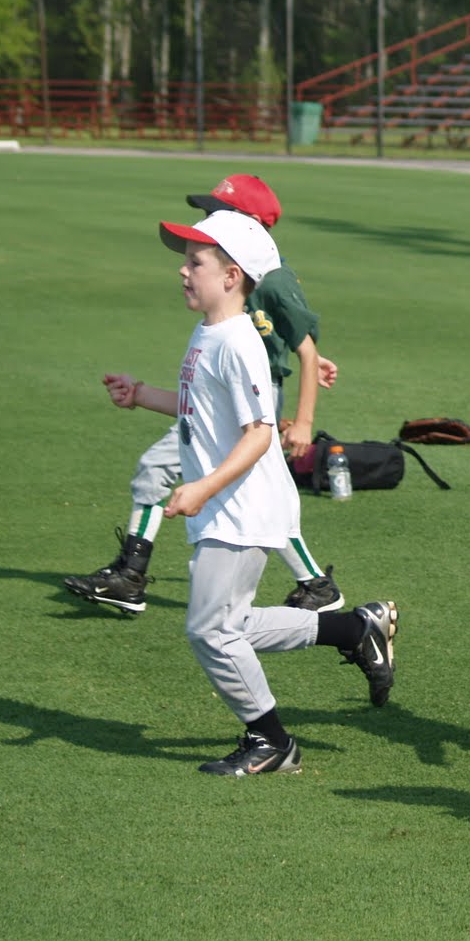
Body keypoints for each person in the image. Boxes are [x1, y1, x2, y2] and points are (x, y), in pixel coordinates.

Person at [108, 210, 396, 775]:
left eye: (196, 263)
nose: (183, 272)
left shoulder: (238, 342)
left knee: (208, 630)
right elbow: (201, 409)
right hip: (227, 504)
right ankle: (353, 628)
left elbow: (260, 434)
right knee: (231, 626)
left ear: (233, 276)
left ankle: (271, 741)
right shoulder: (211, 332)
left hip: (239, 508)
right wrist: (140, 394)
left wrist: (201, 488)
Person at [65, 174, 347, 615]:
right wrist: (139, 393)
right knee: (253, 493)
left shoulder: (270, 282)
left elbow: (301, 348)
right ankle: (314, 585)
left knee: (242, 495)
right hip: (229, 389)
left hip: (252, 396)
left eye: (220, 213)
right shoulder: (212, 325)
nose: (207, 220)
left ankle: (131, 575)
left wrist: (305, 418)